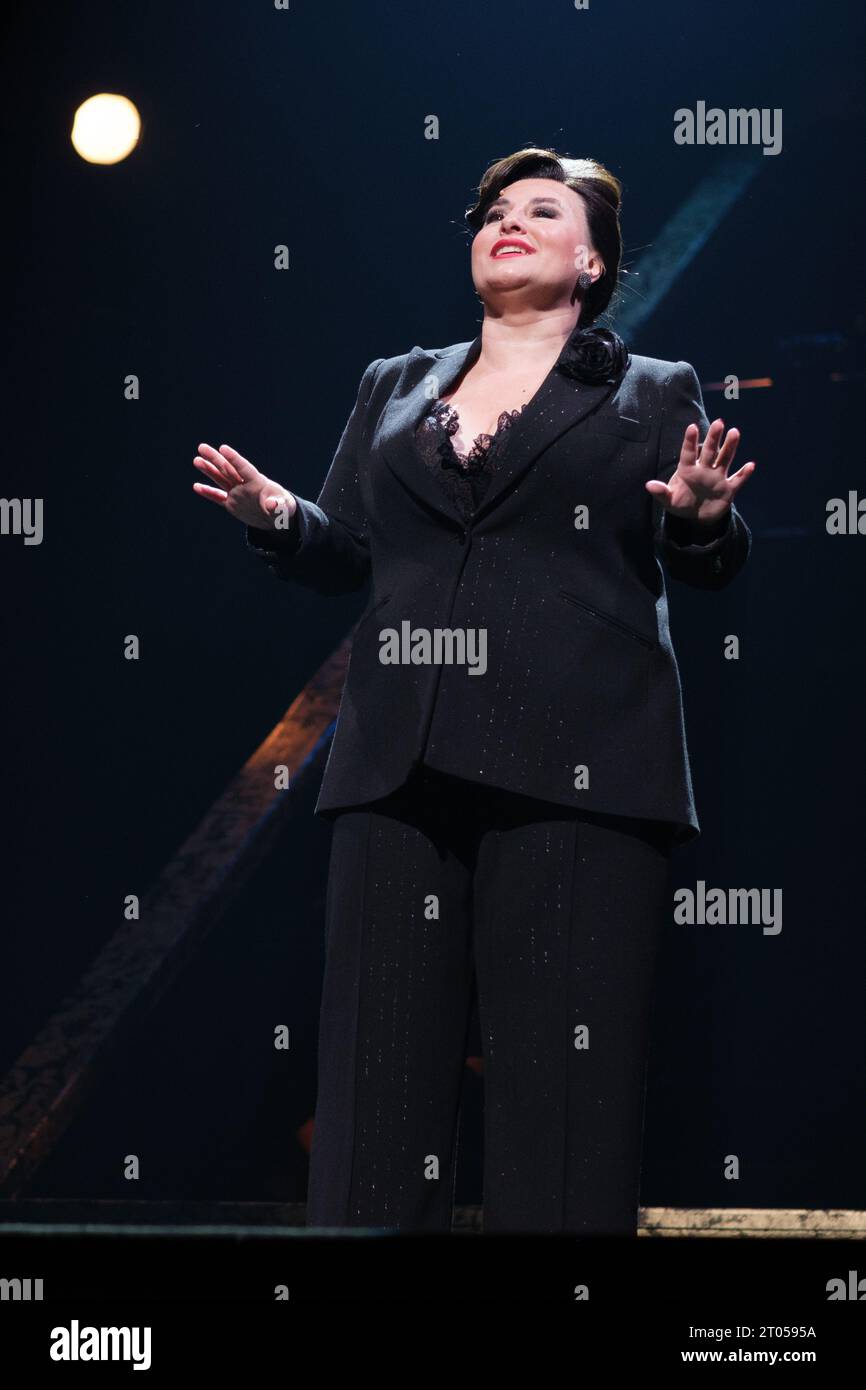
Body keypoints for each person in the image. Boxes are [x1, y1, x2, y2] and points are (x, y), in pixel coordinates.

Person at [192, 146, 756, 1234]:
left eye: (541, 211)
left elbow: (707, 555)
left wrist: (695, 516)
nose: (507, 223)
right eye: (493, 211)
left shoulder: (650, 392)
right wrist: (277, 516)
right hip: (398, 760)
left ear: (590, 259)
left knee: (560, 1092)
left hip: (578, 764)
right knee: (374, 1085)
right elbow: (346, 549)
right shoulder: (393, 383)